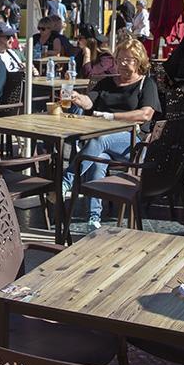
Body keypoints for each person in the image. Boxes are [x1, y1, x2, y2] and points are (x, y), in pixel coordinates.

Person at [64, 38, 161, 229]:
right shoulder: (106, 83)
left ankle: (67, 180)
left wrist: (111, 116)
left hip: (132, 143)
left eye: (129, 59)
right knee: (98, 159)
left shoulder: (146, 84)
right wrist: (77, 97)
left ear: (139, 61)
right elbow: (89, 102)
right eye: (120, 59)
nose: (123, 64)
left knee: (100, 139)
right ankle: (94, 218)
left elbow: (146, 114)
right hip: (103, 142)